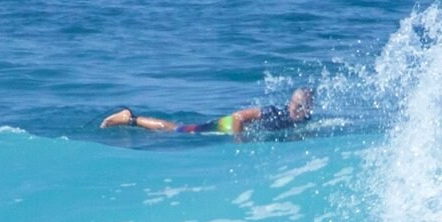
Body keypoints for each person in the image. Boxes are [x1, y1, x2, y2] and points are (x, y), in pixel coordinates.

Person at [103, 87, 314, 138]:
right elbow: (240, 116)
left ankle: (132, 118)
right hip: (223, 126)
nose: (300, 111)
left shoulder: (302, 120)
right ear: (290, 104)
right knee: (176, 130)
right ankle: (130, 118)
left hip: (226, 127)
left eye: (304, 107)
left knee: (178, 128)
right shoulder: (274, 113)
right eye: (297, 106)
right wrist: (239, 140)